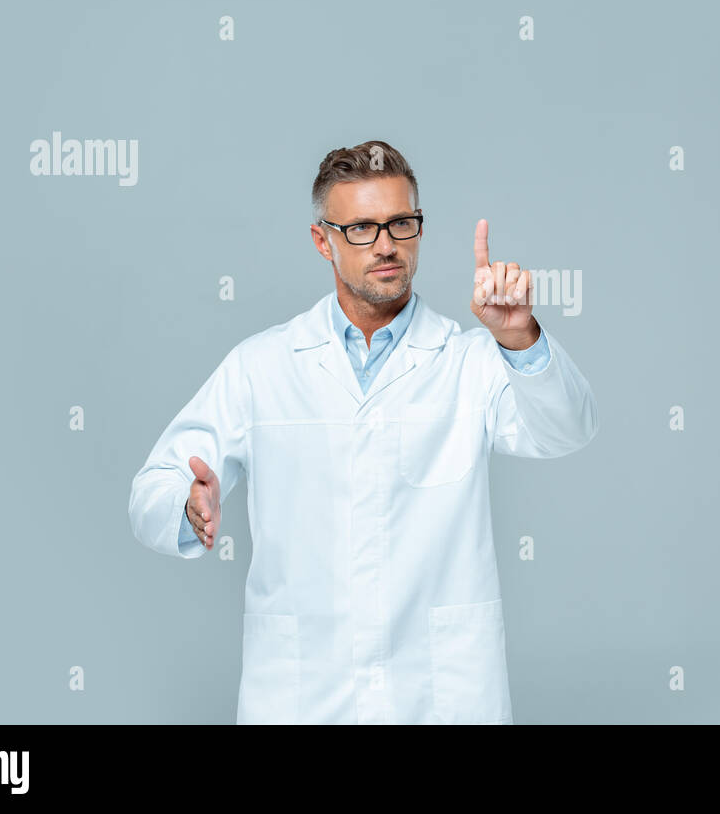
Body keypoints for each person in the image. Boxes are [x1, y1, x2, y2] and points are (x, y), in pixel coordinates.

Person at [127, 140, 599, 723]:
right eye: (361, 229)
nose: (385, 244)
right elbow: (152, 488)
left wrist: (519, 335)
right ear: (322, 240)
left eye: (401, 223)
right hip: (303, 694)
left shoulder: (469, 361)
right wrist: (186, 504)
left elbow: (568, 428)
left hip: (440, 695)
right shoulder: (262, 366)